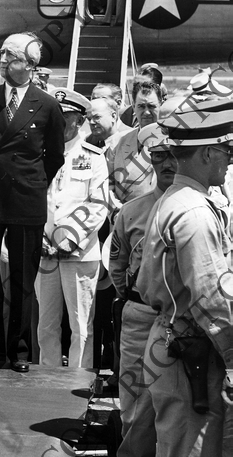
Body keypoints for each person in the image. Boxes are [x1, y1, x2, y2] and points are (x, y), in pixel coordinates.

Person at [135, 99, 233, 456]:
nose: (229, 160)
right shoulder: (194, 211)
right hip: (190, 347)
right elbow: (211, 296)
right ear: (207, 153)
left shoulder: (180, 198)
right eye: (226, 151)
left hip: (180, 341)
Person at [0, 32, 66, 372]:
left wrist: (30, 182)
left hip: (24, 200)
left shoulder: (47, 104)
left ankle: (17, 353)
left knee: (22, 280)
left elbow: (54, 156)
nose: (3, 60)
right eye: (2, 53)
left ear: (31, 65)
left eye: (12, 56)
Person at [110, 123, 176, 457]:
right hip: (140, 315)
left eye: (174, 155)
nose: (167, 163)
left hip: (182, 320)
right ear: (150, 160)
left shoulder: (205, 208)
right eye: (159, 156)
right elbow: (117, 265)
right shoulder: (131, 211)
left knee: (177, 405)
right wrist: (132, 297)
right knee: (133, 402)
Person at [36, 89, 109, 368]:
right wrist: (40, 238)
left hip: (79, 252)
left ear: (79, 121)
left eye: (64, 118)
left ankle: (79, 381)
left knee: (81, 325)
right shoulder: (38, 154)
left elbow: (98, 204)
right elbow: (31, 199)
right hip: (44, 250)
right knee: (46, 324)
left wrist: (71, 239)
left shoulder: (94, 157)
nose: (57, 123)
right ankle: (48, 377)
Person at [107, 77, 164, 213]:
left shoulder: (170, 142)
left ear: (161, 104)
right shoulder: (118, 141)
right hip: (122, 215)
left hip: (156, 215)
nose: (146, 112)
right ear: (133, 107)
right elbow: (107, 185)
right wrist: (117, 212)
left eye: (151, 106)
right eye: (141, 106)